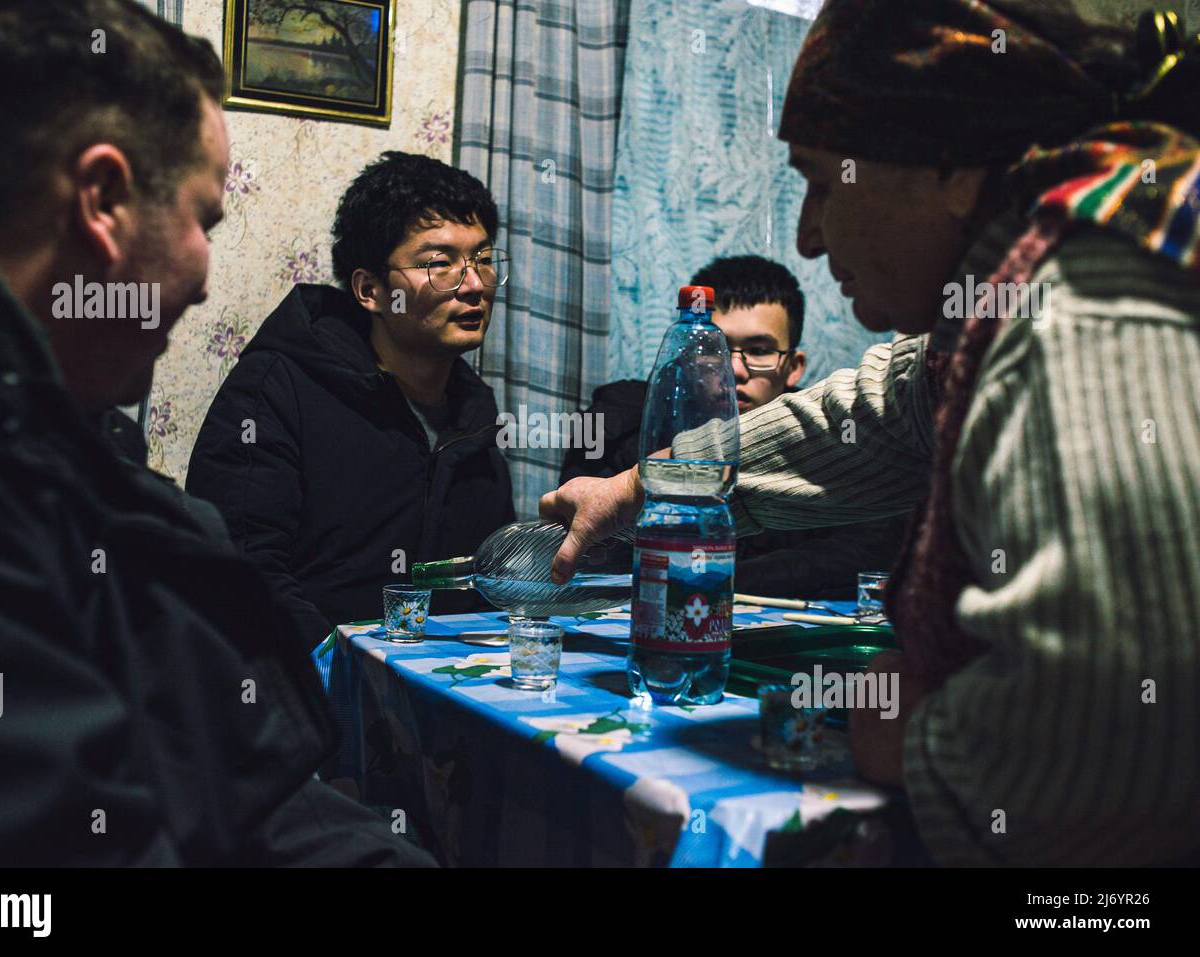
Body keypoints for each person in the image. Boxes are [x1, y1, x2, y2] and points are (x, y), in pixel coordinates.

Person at [540, 0, 1200, 865]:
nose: (810, 236)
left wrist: (899, 717)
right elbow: (872, 415)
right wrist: (634, 489)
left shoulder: (1082, 311)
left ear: (952, 169)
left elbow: (1099, 757)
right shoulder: (1004, 299)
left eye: (824, 182)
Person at [0, 0, 431, 866]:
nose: (203, 278)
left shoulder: (49, 432)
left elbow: (232, 792)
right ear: (104, 200)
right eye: (202, 220)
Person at [187, 152, 516, 652]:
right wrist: (350, 685)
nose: (473, 285)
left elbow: (487, 583)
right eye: (439, 264)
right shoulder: (278, 389)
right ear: (371, 291)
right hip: (309, 697)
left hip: (442, 695)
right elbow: (241, 575)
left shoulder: (475, 412)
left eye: (484, 261)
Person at [559, 255, 905, 599]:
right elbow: (590, 550)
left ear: (794, 366)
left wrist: (710, 579)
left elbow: (866, 549)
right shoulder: (621, 424)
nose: (735, 369)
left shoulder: (836, 431)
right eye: (716, 348)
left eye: (759, 350)